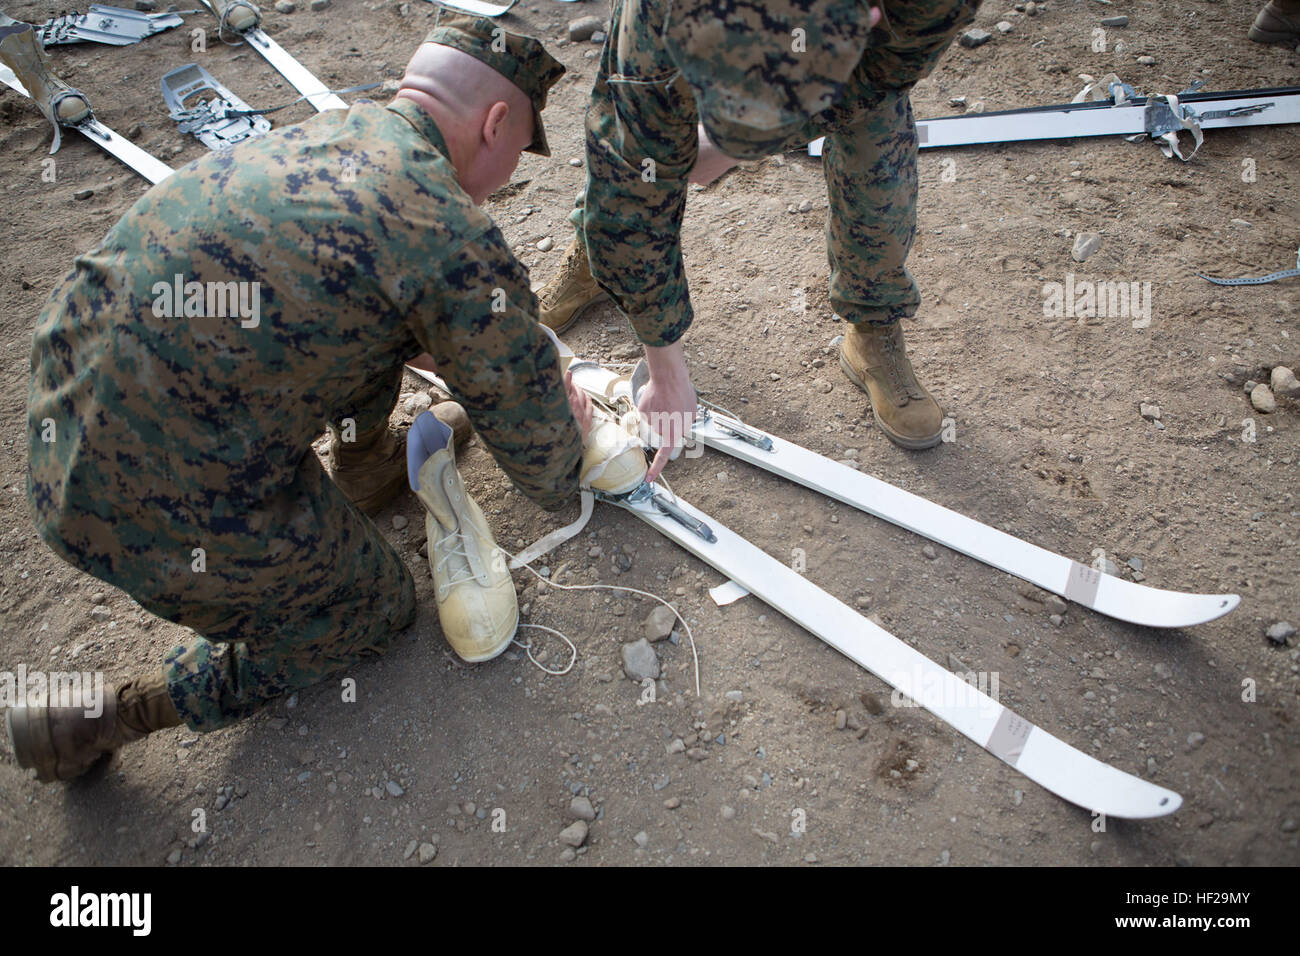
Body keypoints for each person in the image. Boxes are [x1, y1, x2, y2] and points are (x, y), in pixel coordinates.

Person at [8, 15, 593, 783]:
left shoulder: (327, 135)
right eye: (518, 150)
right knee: (371, 610)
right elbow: (544, 465)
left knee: (369, 331)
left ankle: (368, 466)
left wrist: (448, 336)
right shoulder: (446, 231)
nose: (511, 173)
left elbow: (334, 297)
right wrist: (564, 422)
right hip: (139, 502)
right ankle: (111, 713)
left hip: (64, 410)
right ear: (493, 124)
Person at [537, 0, 982, 471]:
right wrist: (667, 373)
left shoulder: (928, 8)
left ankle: (872, 323)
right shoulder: (661, 16)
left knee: (879, 169)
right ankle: (596, 263)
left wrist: (735, 144)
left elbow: (886, 73)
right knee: (642, 151)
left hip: (862, 46)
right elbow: (626, 169)